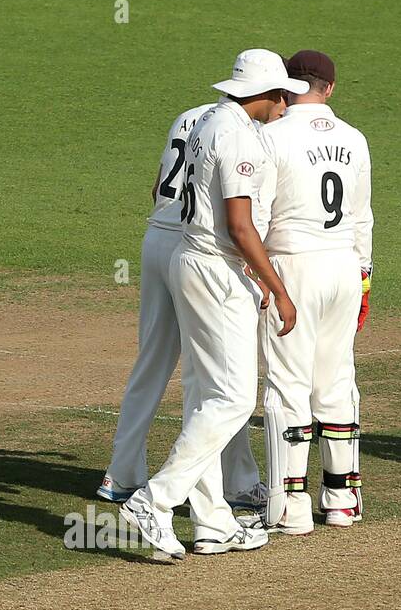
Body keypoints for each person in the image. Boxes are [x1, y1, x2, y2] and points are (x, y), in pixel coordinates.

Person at [121, 49, 306, 560]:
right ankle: (155, 500)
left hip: (192, 258)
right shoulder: (238, 136)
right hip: (215, 269)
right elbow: (240, 226)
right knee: (233, 400)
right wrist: (278, 288)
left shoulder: (206, 120)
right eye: (282, 94)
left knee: (206, 398)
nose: (286, 102)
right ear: (263, 93)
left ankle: (213, 524)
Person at [98, 105, 263, 507]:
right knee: (219, 375)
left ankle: (121, 473)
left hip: (157, 238)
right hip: (197, 247)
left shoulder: (191, 117)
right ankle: (235, 482)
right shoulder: (240, 129)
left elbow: (157, 188)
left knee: (153, 362)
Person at [259, 50, 373, 533]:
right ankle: (342, 498)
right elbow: (363, 217)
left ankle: (291, 505)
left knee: (289, 383)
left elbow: (257, 214)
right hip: (343, 265)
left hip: (291, 266)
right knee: (335, 379)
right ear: (330, 88)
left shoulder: (271, 135)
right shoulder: (354, 138)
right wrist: (364, 279)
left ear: (288, 85)